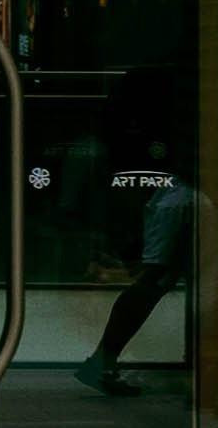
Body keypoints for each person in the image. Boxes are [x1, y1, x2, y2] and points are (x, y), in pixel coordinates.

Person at [75, 106, 197, 398]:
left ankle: (103, 361)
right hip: (177, 202)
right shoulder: (177, 197)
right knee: (151, 283)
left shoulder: (171, 193)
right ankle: (103, 362)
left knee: (152, 283)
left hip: (172, 200)